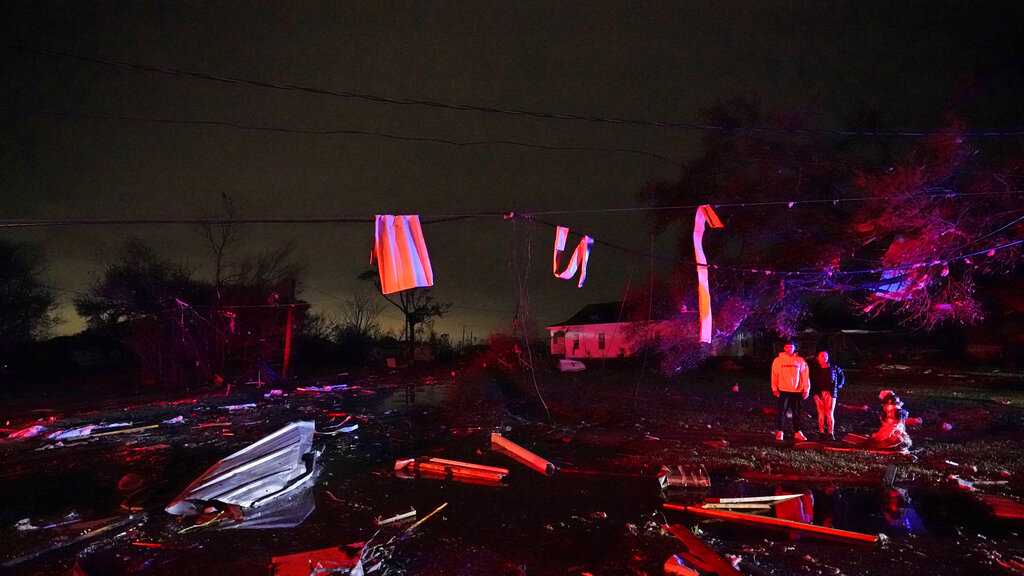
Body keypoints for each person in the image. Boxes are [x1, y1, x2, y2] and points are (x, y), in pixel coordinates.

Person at [770, 340, 810, 442]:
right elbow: (774, 375)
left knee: (797, 412)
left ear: (794, 348)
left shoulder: (800, 360)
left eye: (791, 347)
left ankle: (797, 432)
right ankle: (780, 431)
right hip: (783, 390)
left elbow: (805, 376)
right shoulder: (778, 360)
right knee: (781, 412)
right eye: (787, 347)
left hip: (797, 391)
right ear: (784, 348)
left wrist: (806, 389)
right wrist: (774, 388)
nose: (789, 349)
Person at [809, 349, 845, 440]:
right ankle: (821, 432)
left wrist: (839, 386)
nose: (824, 357)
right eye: (822, 356)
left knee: (829, 412)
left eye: (826, 356)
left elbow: (842, 376)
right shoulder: (815, 369)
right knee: (821, 412)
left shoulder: (834, 368)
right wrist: (815, 394)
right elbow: (812, 382)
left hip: (831, 393)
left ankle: (830, 433)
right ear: (817, 358)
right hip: (819, 393)